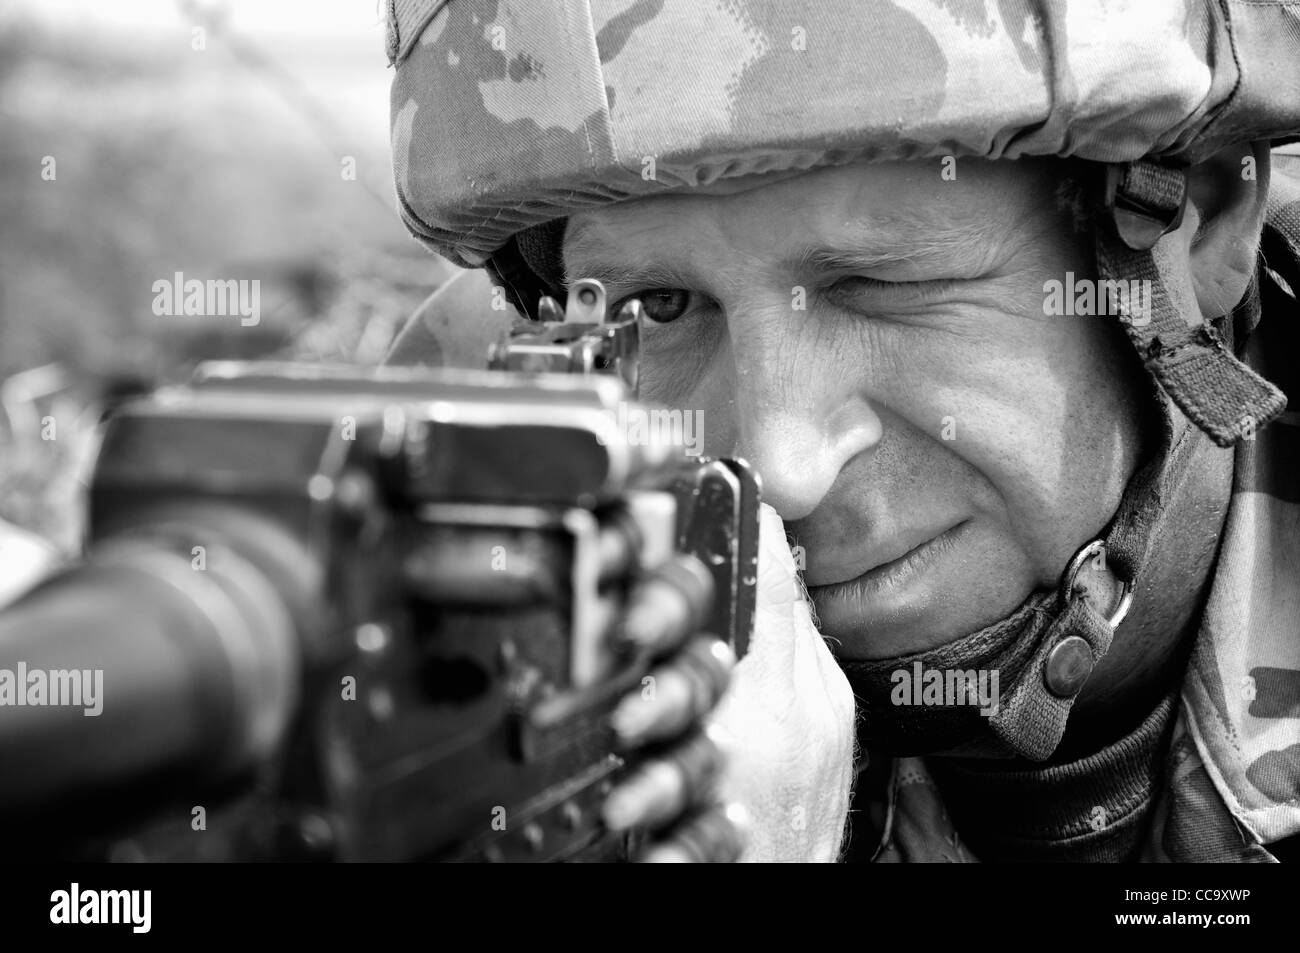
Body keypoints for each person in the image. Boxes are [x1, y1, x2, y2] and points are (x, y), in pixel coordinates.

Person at [381, 0, 1300, 862]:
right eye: (663, 305)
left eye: (880, 282)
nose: (781, 467)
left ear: (1203, 217)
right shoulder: (466, 503)